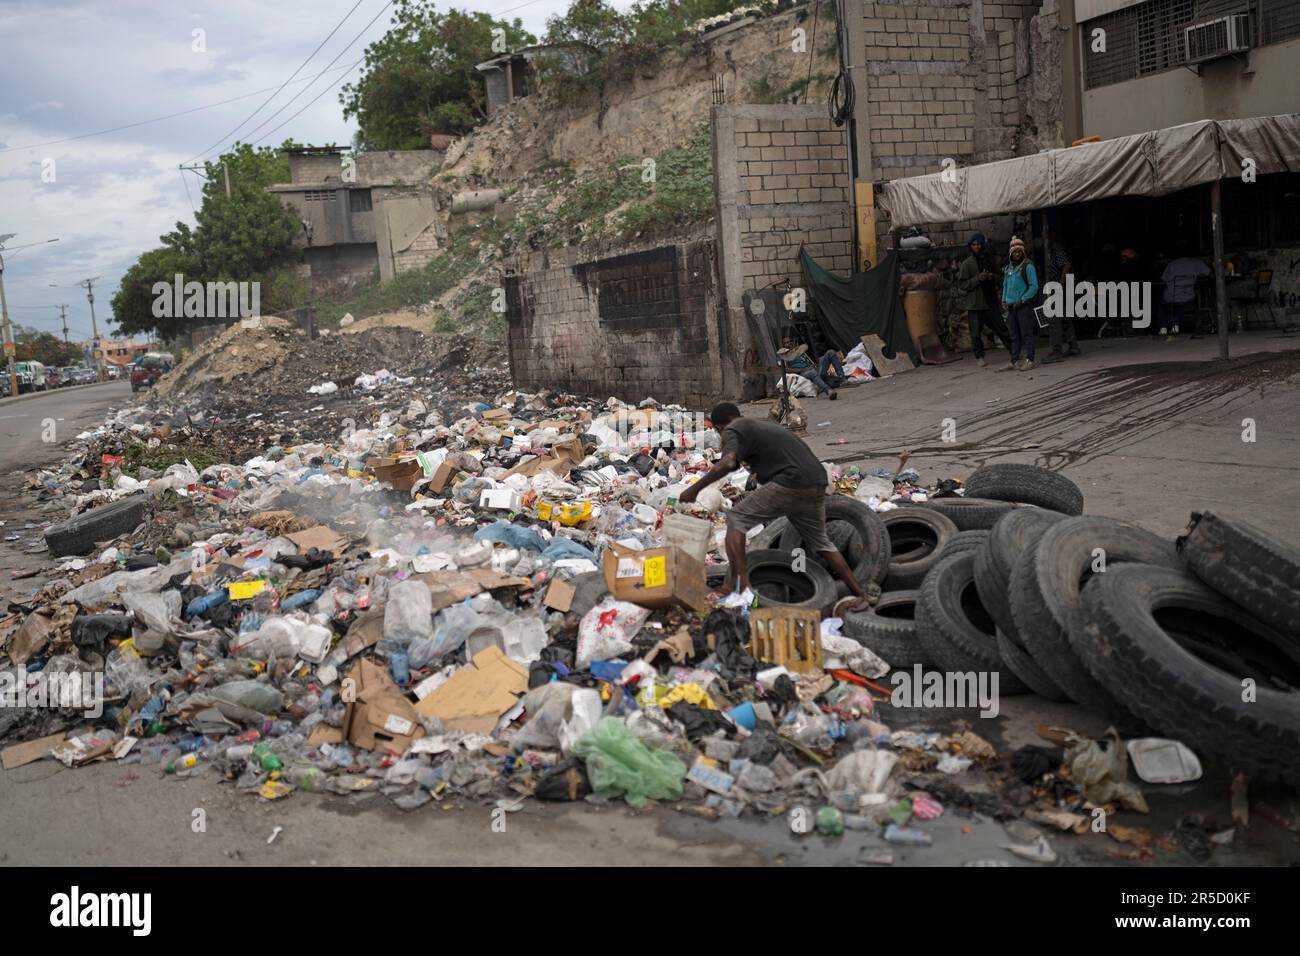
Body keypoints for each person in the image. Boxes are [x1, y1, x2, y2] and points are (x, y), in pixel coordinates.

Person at [678, 402, 871, 615]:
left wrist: (694, 490)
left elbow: (727, 462)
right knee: (822, 543)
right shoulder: (759, 425)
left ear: (719, 426)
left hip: (792, 480)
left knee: (736, 518)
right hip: (816, 481)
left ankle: (741, 588)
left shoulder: (732, 429)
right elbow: (739, 462)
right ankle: (861, 595)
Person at [956, 233, 1012, 367]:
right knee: (975, 333)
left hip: (990, 301)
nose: (977, 247)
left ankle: (1013, 352)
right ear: (970, 246)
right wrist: (977, 279)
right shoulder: (967, 264)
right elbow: (963, 285)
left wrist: (991, 276)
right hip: (975, 304)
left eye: (979, 244)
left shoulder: (990, 260)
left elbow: (1000, 277)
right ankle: (979, 356)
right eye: (974, 244)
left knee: (1001, 328)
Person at [998, 236, 1039, 371]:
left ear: (1023, 252)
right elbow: (1005, 285)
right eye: (1014, 252)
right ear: (1011, 253)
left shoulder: (1028, 266)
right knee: (1014, 335)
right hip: (1011, 307)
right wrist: (1004, 300)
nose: (1016, 254)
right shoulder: (1008, 268)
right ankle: (1014, 360)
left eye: (1019, 252)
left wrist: (1023, 299)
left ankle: (1030, 359)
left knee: (1027, 333)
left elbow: (1034, 287)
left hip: (1023, 306)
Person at [1042, 226, 1080, 363]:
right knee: (1065, 318)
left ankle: (1056, 351)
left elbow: (1066, 265)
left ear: (1052, 235)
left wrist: (1060, 284)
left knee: (1054, 320)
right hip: (1054, 287)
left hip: (1057, 288)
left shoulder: (1055, 248)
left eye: (1047, 234)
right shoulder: (1049, 249)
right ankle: (1073, 346)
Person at [1160, 251, 1210, 336]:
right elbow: (1208, 273)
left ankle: (1164, 327)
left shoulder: (1172, 264)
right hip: (1189, 296)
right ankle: (1176, 326)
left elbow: (1164, 278)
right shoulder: (1197, 262)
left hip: (1172, 296)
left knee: (1163, 303)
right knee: (1180, 304)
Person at [781, 334, 845, 399]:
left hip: (813, 371)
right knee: (811, 372)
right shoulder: (783, 356)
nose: (789, 344)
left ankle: (843, 380)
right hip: (802, 375)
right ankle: (828, 391)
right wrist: (804, 369)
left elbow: (808, 363)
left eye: (790, 341)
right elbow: (786, 370)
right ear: (783, 345)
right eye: (786, 343)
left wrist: (814, 365)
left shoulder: (798, 352)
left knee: (830, 352)